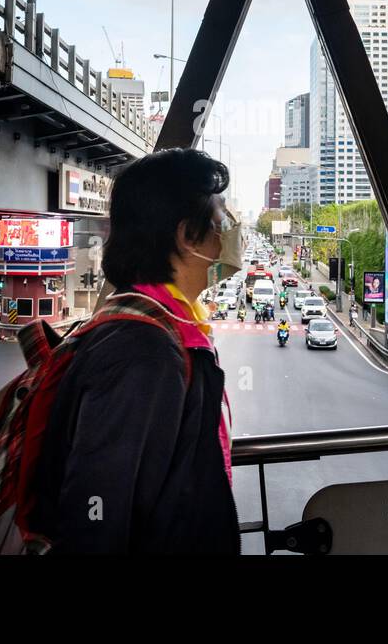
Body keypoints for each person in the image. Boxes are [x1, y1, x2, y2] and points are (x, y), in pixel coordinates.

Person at [25, 148, 241, 554]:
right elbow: (94, 522)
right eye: (220, 223)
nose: (228, 235)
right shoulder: (143, 352)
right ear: (186, 236)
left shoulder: (160, 323)